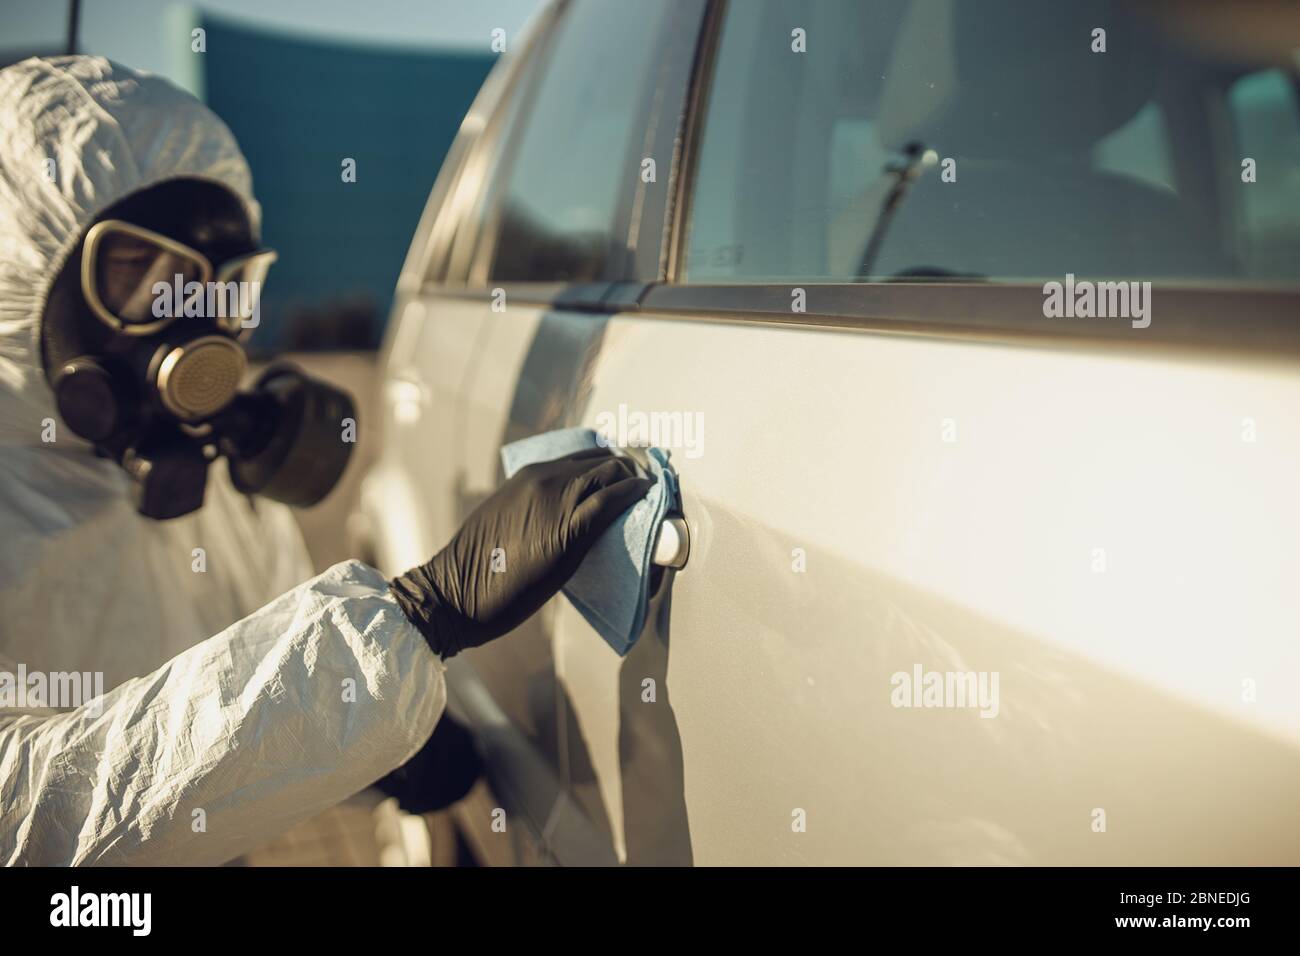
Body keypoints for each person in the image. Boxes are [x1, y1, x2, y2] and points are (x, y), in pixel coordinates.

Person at [0, 56, 650, 866]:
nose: (198, 324)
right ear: (22, 269)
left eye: (227, 285)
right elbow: (29, 815)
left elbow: (231, 670)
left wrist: (364, 732)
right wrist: (419, 616)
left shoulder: (180, 474)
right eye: (143, 273)